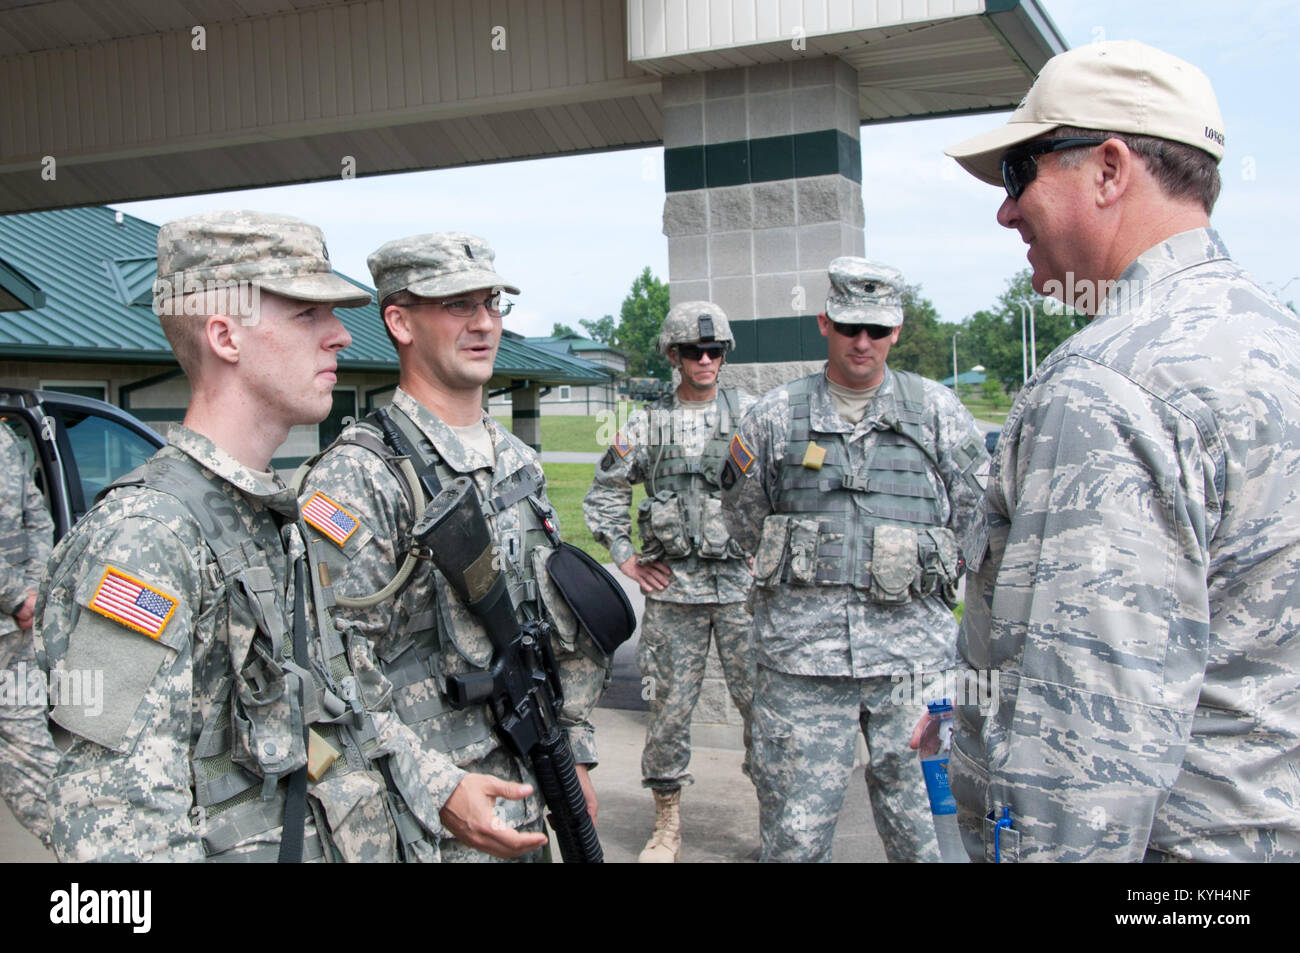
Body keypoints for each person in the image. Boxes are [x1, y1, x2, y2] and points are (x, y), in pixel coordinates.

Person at [943, 39, 1300, 861]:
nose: (1006, 211)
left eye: (1019, 172)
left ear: (1109, 169)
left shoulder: (1106, 387)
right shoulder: (1274, 342)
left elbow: (1082, 760)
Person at [37, 210, 449, 862]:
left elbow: (332, 718)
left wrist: (445, 785)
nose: (340, 335)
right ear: (226, 336)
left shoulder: (284, 524)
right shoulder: (144, 541)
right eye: (306, 314)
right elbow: (113, 826)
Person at [300, 233, 609, 862]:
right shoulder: (360, 477)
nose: (483, 324)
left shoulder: (518, 463)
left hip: (527, 791)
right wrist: (439, 788)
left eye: (492, 303)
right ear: (399, 321)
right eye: (457, 305)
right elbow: (330, 685)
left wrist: (571, 751)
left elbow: (551, 631)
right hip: (424, 825)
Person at [720, 258, 989, 863]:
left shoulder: (939, 413)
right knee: (793, 840)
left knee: (932, 842)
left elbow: (978, 521)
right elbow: (744, 524)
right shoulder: (773, 417)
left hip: (914, 669)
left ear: (896, 330)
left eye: (876, 329)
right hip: (801, 668)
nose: (861, 342)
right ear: (825, 324)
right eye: (848, 328)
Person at [583, 300, 756, 863]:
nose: (705, 360)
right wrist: (626, 557)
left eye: (714, 350)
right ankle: (667, 823)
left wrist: (770, 552)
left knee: (765, 708)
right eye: (692, 351)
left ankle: (779, 816)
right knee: (668, 712)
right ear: (673, 356)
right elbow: (604, 490)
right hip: (673, 594)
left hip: (741, 595)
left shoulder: (754, 416)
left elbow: (790, 491)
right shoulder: (646, 425)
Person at [0, 421, 60, 846]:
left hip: (13, 636)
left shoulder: (4, 440)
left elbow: (38, 517)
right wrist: (19, 595)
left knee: (35, 764)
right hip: (14, 613)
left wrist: (34, 591)